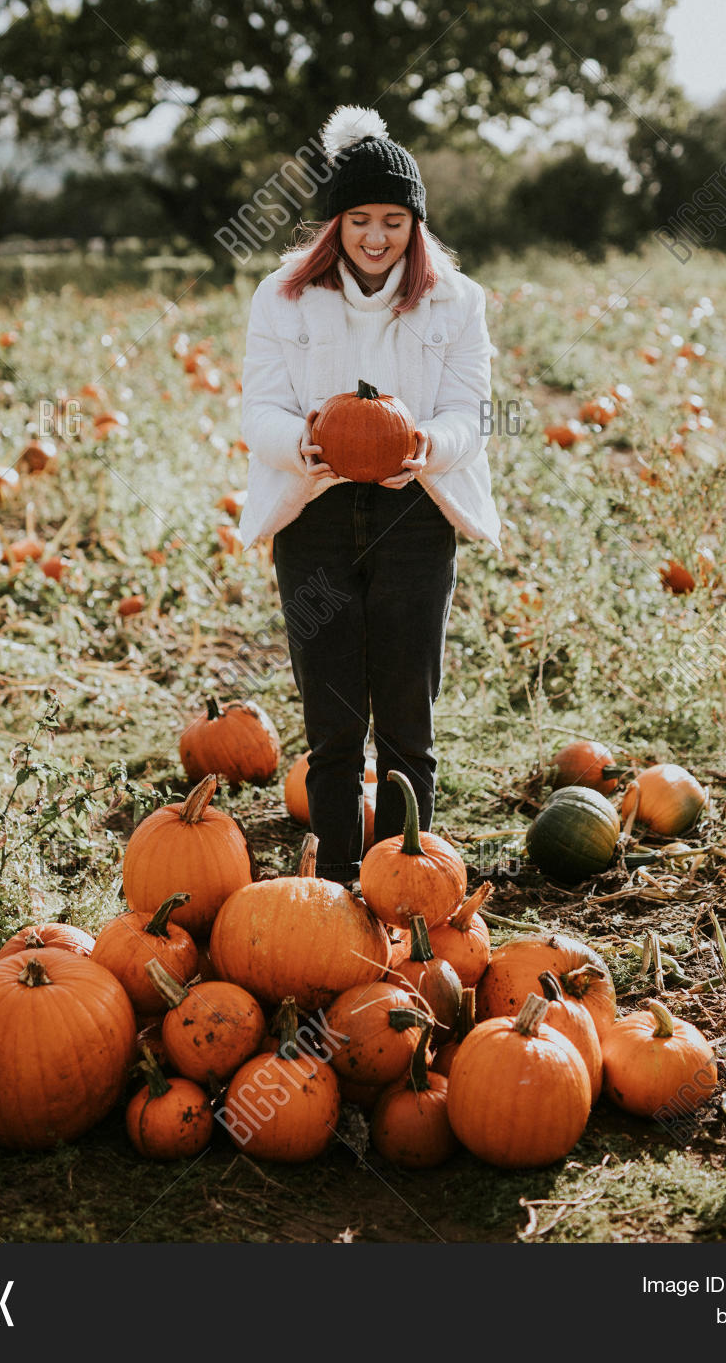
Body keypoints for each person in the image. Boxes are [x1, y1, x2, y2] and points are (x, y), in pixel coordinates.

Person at [239, 106, 502, 885]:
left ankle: (400, 880)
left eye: (393, 220)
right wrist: (303, 446)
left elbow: (469, 412)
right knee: (332, 724)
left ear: (415, 224)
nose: (376, 236)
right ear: (335, 225)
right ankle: (334, 883)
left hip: (414, 518)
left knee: (406, 720)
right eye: (359, 220)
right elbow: (258, 409)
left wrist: (429, 446)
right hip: (313, 514)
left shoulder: (455, 300)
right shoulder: (282, 297)